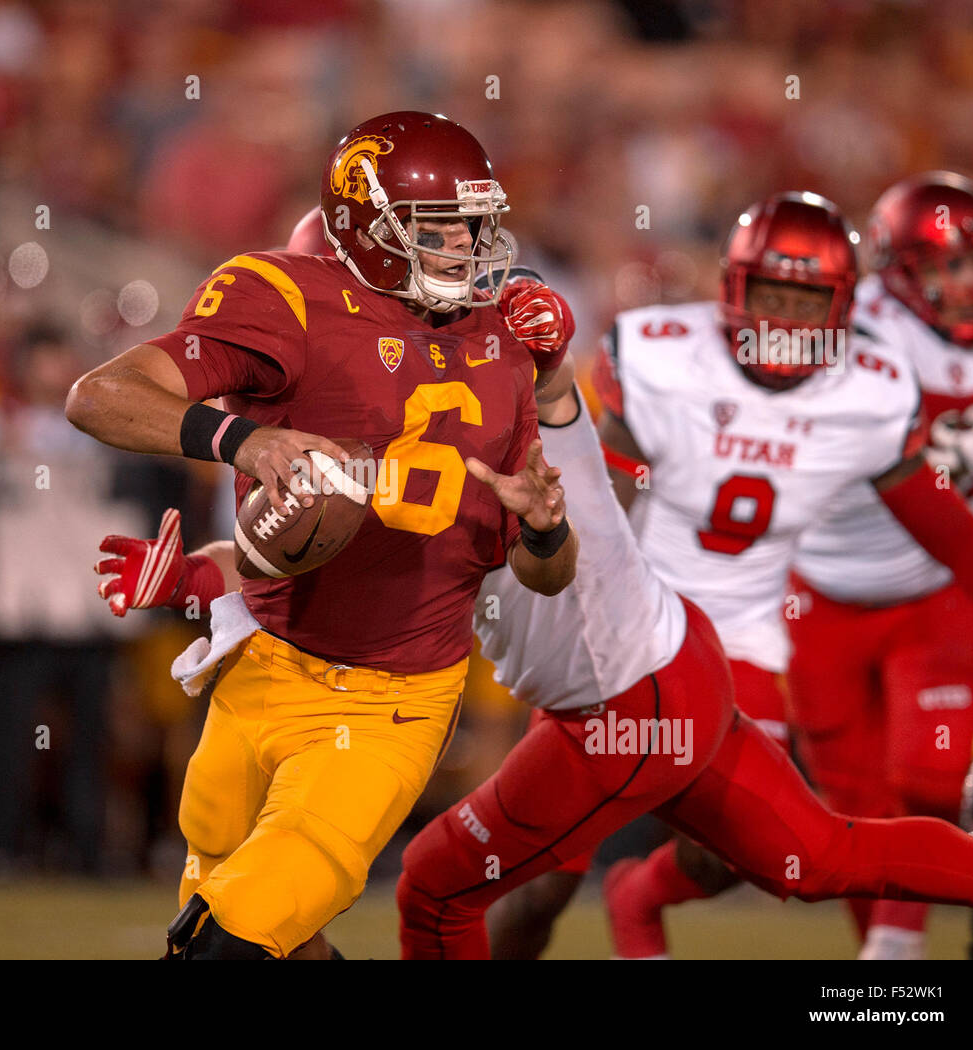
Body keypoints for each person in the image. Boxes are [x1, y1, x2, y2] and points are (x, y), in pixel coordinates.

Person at [65, 112, 577, 959]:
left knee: (222, 943)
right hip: (262, 665)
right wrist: (244, 440)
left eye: (474, 224)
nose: (467, 247)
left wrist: (548, 532)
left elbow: (544, 574)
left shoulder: (502, 342)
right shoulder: (289, 296)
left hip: (393, 701)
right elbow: (98, 396)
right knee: (276, 937)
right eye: (438, 227)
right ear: (363, 229)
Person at [489, 192, 973, 959]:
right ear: (732, 289)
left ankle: (660, 913)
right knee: (538, 884)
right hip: (624, 637)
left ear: (841, 309)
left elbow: (953, 536)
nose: (785, 321)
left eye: (805, 300)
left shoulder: (870, 393)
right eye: (770, 296)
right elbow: (600, 507)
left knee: (753, 855)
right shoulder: (662, 357)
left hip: (740, 657)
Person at [788, 172, 973, 958]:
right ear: (900, 275)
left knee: (931, 780)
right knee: (852, 815)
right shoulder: (852, 330)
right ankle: (891, 970)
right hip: (821, 590)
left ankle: (931, 921)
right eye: (947, 267)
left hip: (936, 583)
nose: (969, 283)